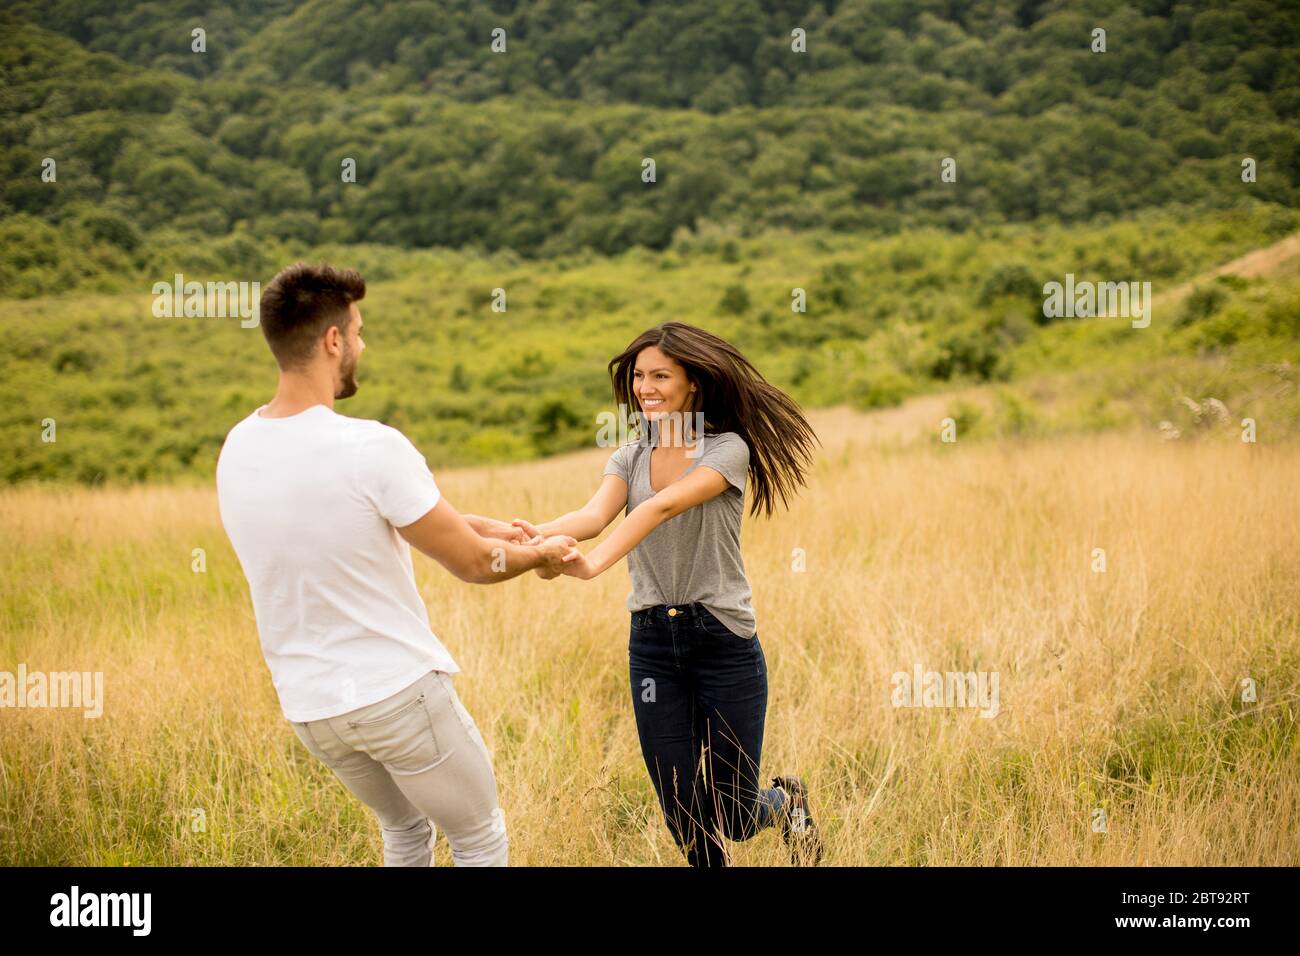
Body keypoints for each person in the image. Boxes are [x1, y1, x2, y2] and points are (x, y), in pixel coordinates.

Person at [216, 262, 574, 867]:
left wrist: (491, 526)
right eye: (356, 331)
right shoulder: (370, 446)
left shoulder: (239, 447)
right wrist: (539, 554)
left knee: (406, 833)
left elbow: (385, 517)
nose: (362, 344)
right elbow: (473, 564)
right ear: (332, 340)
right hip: (396, 695)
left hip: (313, 707)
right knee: (480, 836)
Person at [513, 321, 824, 866]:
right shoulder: (630, 456)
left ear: (693, 384)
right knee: (680, 807)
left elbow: (660, 507)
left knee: (732, 811)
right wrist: (528, 538)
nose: (645, 387)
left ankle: (785, 801)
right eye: (639, 376)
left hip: (722, 640)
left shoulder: (726, 450)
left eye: (661, 375)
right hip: (654, 644)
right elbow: (590, 516)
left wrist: (591, 566)